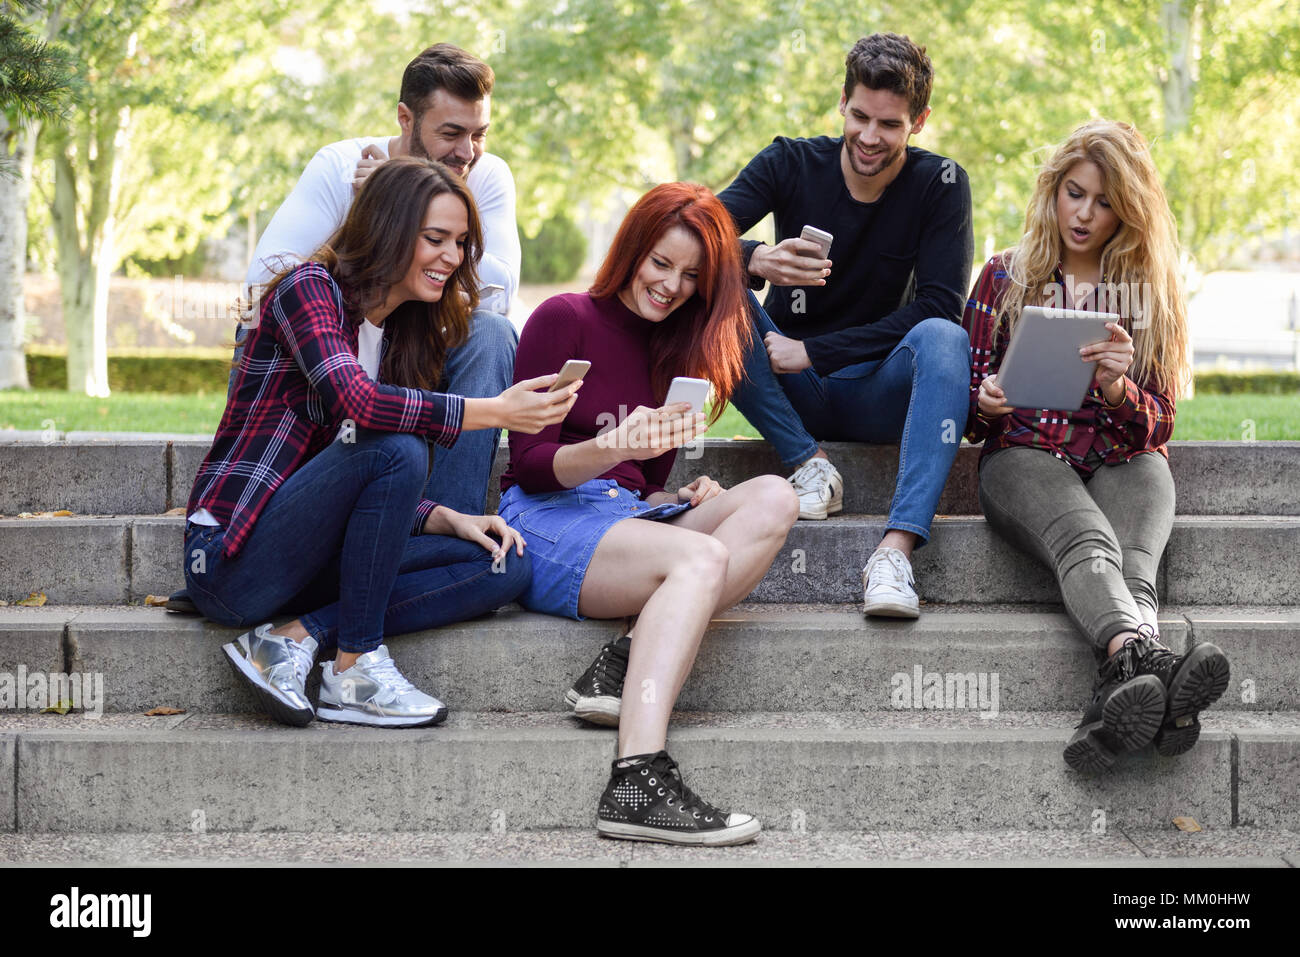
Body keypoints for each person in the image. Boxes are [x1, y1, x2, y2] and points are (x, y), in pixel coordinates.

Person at [185, 157, 578, 728]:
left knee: (503, 565)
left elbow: (353, 479)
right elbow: (360, 409)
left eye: (461, 242)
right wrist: (494, 411)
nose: (452, 257)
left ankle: (296, 636)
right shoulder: (308, 290)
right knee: (397, 445)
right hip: (231, 560)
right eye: (435, 238)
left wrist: (447, 518)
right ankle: (353, 669)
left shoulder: (399, 333)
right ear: (389, 229)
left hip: (308, 556)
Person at [499, 183, 799, 845]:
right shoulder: (562, 318)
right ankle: (635, 776)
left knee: (778, 496)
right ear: (632, 249)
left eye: (691, 276)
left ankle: (627, 651)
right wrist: (612, 444)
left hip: (624, 520)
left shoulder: (676, 354)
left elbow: (641, 488)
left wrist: (680, 499)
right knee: (700, 555)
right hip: (546, 518)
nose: (671, 285)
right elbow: (529, 464)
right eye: (660, 263)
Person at [961, 120, 1230, 772]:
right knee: (1089, 542)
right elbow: (966, 409)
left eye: (1104, 201)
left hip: (1123, 455)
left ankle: (1116, 703)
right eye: (1074, 193)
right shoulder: (1004, 276)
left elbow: (1158, 422)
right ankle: (1156, 668)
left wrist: (1116, 389)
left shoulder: (1149, 294)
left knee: (1136, 565)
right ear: (1053, 189)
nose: (1084, 213)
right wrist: (985, 400)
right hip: (1025, 454)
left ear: (1128, 211)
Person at [718, 32, 974, 619]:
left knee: (944, 337)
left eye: (890, 124)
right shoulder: (789, 161)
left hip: (876, 390)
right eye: (859, 115)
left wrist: (815, 350)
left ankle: (896, 551)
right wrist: (753, 257)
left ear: (920, 122)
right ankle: (810, 466)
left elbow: (939, 306)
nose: (869, 136)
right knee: (711, 280)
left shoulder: (942, 186)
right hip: (789, 395)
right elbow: (684, 236)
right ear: (842, 102)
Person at [234, 42, 518, 517]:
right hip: (332, 356)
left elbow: (500, 295)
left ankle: (453, 531)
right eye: (451, 132)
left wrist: (411, 199)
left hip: (414, 352)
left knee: (492, 334)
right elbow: (262, 282)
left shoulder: (487, 176)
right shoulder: (339, 165)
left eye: (479, 134)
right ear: (406, 119)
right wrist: (382, 208)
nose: (467, 152)